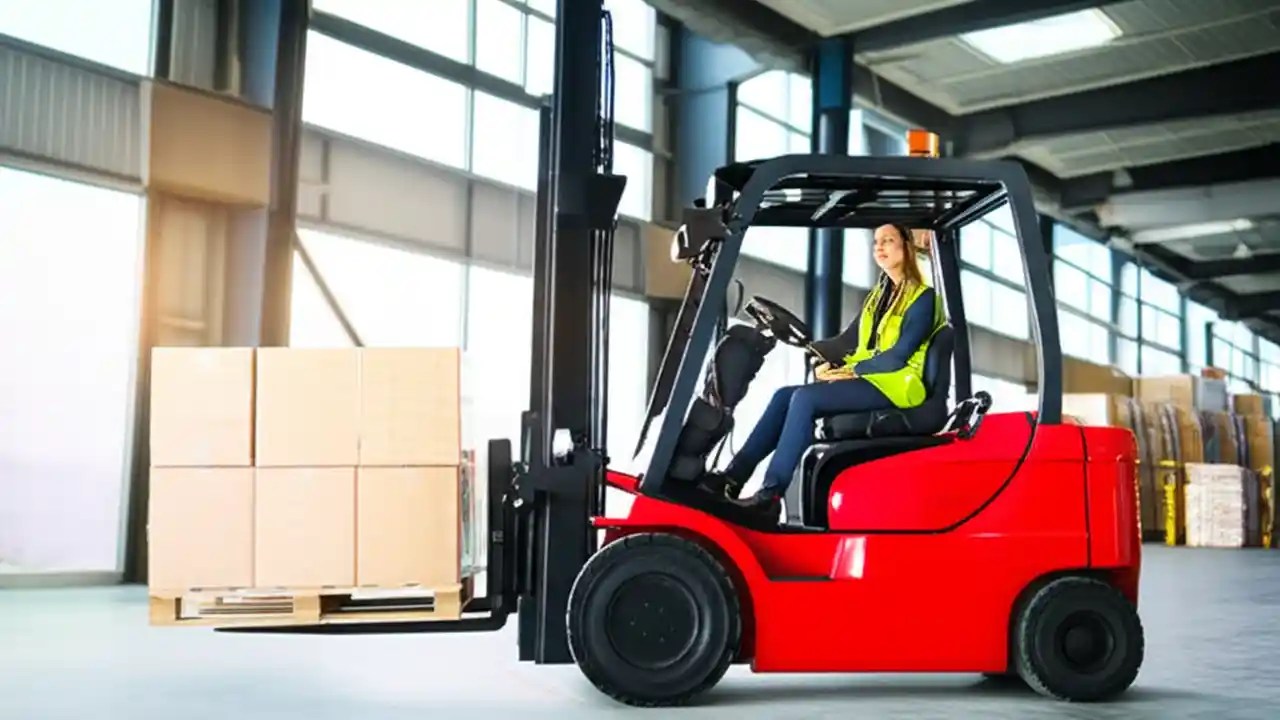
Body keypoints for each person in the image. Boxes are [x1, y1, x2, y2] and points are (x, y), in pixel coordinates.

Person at [704, 223, 942, 518]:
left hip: (899, 386)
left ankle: (770, 495)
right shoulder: (879, 297)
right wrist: (811, 348)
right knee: (784, 396)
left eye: (888, 241)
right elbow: (847, 341)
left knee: (806, 398)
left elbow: (899, 355)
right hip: (873, 379)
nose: (879, 247)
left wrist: (852, 370)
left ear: (906, 247)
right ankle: (731, 478)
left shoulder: (923, 299)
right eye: (876, 241)